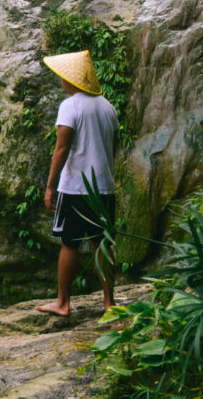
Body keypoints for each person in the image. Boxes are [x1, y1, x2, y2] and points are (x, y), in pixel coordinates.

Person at [34, 49, 118, 317]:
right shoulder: (108, 107)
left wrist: (50, 187)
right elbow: (113, 148)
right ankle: (109, 303)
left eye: (63, 76)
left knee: (69, 243)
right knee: (102, 244)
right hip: (103, 188)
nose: (61, 80)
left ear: (72, 80)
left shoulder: (70, 106)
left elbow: (61, 149)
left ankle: (63, 303)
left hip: (76, 189)